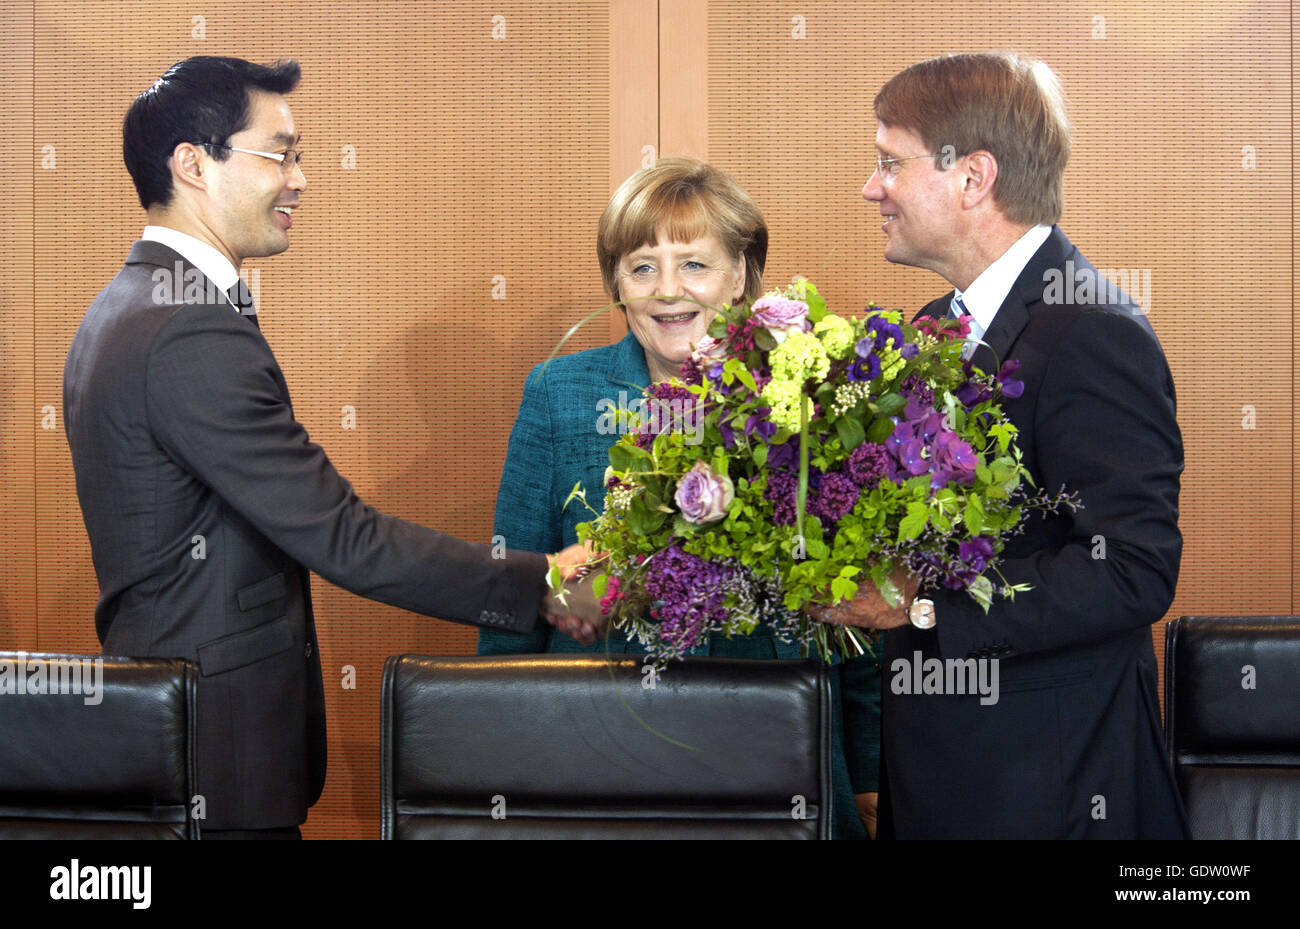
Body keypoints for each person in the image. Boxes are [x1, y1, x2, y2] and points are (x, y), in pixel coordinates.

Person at [62, 56, 601, 839]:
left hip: (181, 724)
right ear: (192, 163)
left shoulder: (132, 303)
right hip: (213, 741)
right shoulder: (184, 326)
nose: (300, 179)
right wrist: (541, 582)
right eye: (279, 153)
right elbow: (339, 533)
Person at [822, 52, 1188, 838]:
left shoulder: (1092, 330)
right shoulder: (935, 323)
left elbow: (1132, 569)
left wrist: (918, 605)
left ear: (972, 176)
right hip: (945, 779)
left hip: (1050, 789)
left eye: (889, 161)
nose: (870, 185)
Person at [477, 157, 883, 839]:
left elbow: (859, 607)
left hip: (776, 746)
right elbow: (511, 594)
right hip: (598, 750)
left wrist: (870, 769)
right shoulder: (559, 394)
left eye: (694, 264)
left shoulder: (810, 399)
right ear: (616, 284)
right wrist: (500, 754)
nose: (668, 290)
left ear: (743, 274)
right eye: (641, 267)